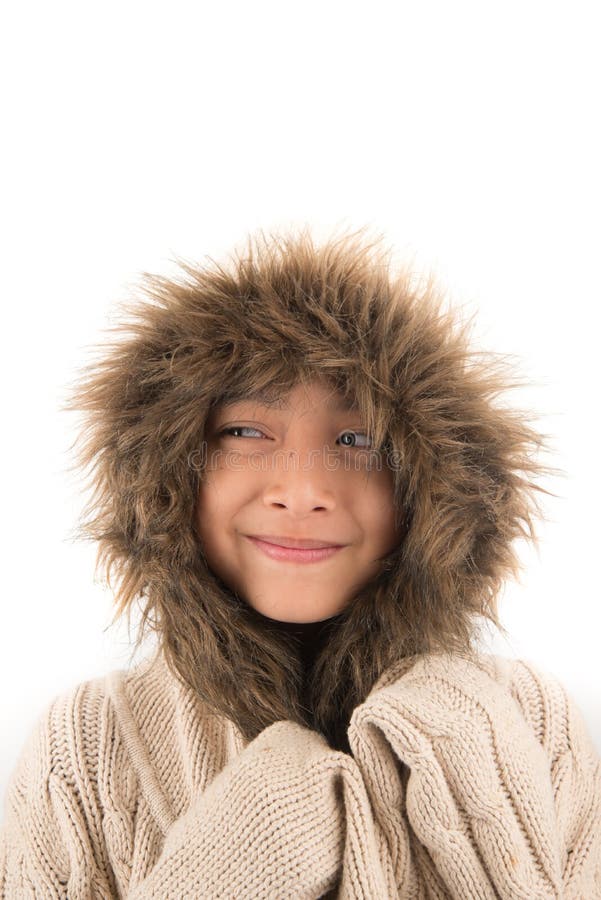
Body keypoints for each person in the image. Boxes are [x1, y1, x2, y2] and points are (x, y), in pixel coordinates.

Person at [1, 227, 599, 898]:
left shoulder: (524, 719)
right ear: (170, 473)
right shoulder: (85, 745)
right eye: (246, 432)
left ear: (430, 490)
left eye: (355, 438)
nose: (300, 492)